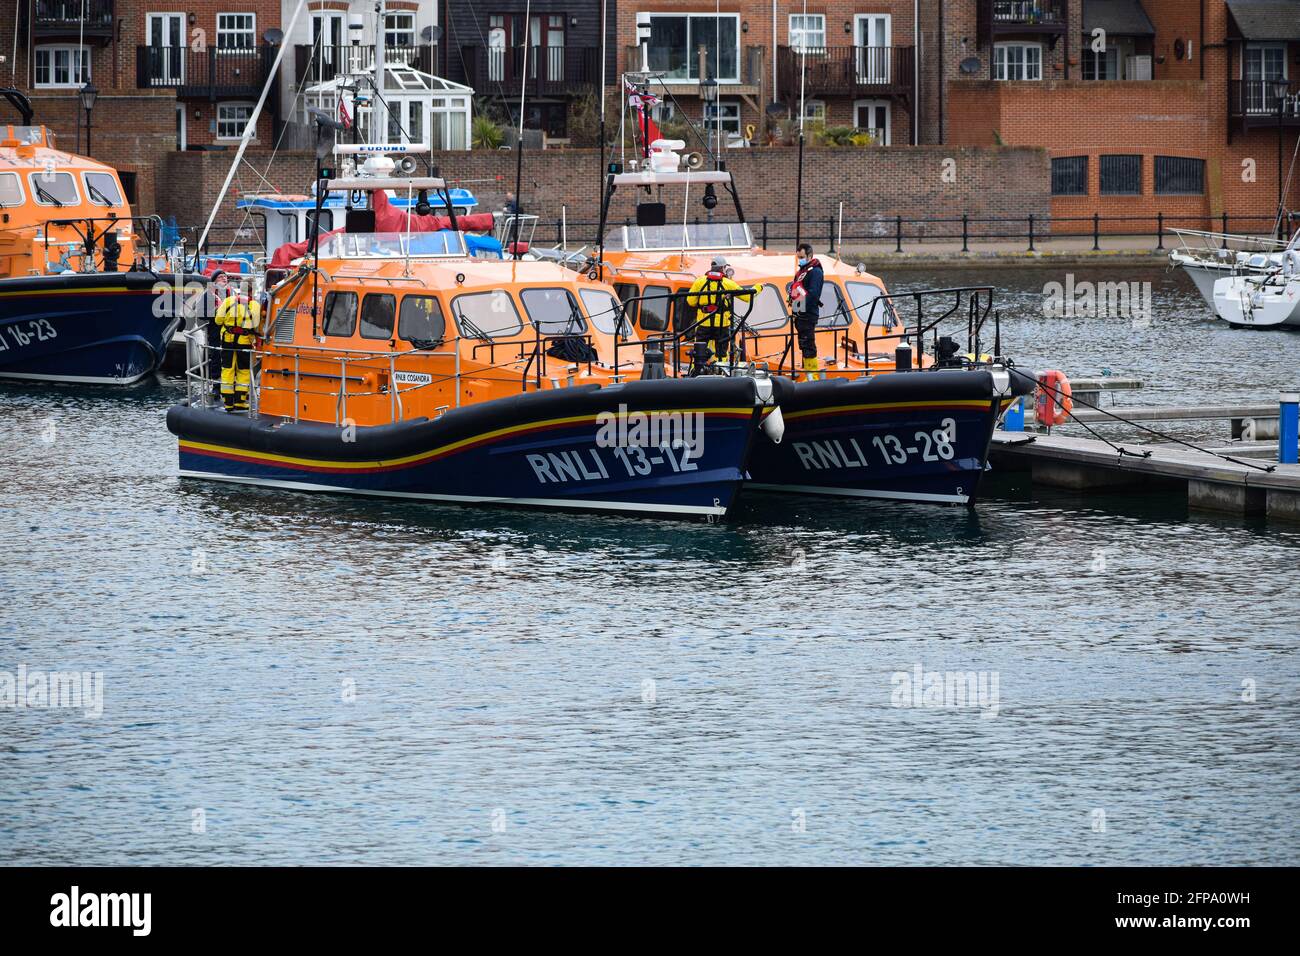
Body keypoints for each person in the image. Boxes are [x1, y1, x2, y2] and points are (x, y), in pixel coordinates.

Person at [685, 256, 760, 370]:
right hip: (721, 325)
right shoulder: (728, 283)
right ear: (723, 268)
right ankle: (721, 372)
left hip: (703, 324)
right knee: (721, 354)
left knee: (699, 352)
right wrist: (758, 287)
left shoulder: (699, 281)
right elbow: (747, 297)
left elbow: (691, 301)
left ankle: (696, 372)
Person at [213, 293, 261, 412]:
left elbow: (218, 321)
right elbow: (255, 325)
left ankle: (228, 402)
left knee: (227, 368)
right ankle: (240, 401)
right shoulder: (254, 304)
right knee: (243, 370)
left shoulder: (228, 301)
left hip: (227, 339)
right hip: (244, 341)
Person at [789, 242, 824, 379]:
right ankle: (808, 375)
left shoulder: (815, 272)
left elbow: (813, 295)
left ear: (810, 256)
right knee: (803, 344)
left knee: (808, 345)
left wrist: (802, 309)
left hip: (807, 315)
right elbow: (797, 288)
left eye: (802, 257)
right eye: (798, 257)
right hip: (799, 314)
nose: (800, 259)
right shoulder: (801, 272)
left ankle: (813, 377)